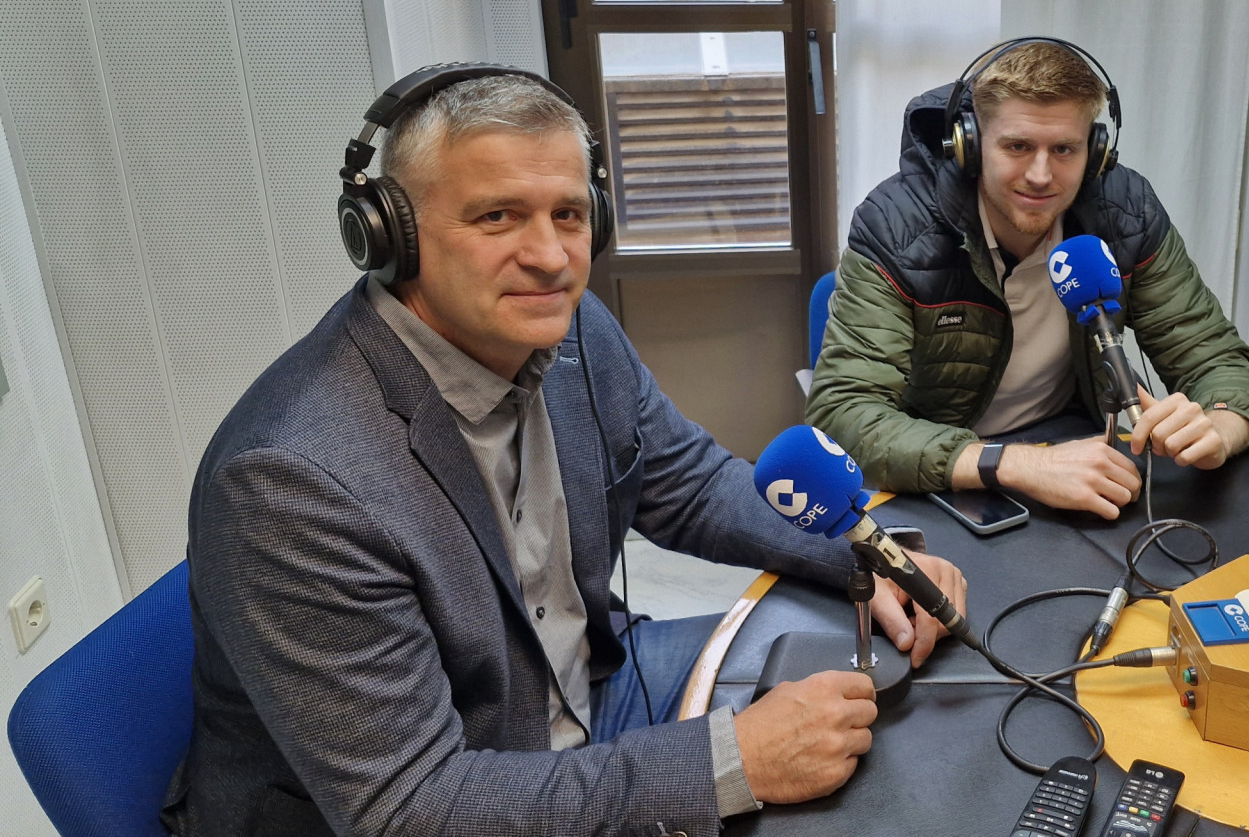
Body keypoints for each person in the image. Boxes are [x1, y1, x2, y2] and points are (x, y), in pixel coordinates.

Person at [165, 68, 967, 837]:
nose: (551, 257)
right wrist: (732, 762)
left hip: (592, 690)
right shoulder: (289, 484)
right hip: (456, 791)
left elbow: (687, 485)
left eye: (570, 215)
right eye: (497, 217)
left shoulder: (572, 329)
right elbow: (408, 808)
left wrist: (867, 556)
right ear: (389, 235)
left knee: (896, 715)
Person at [805, 39, 1249, 518]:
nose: (1040, 174)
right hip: (939, 471)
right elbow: (843, 417)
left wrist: (1220, 427)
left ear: (1094, 153)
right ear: (969, 144)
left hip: (1076, 445)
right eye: (1017, 146)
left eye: (1064, 149)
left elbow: (1217, 360)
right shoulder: (895, 226)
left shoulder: (1125, 213)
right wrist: (1016, 463)